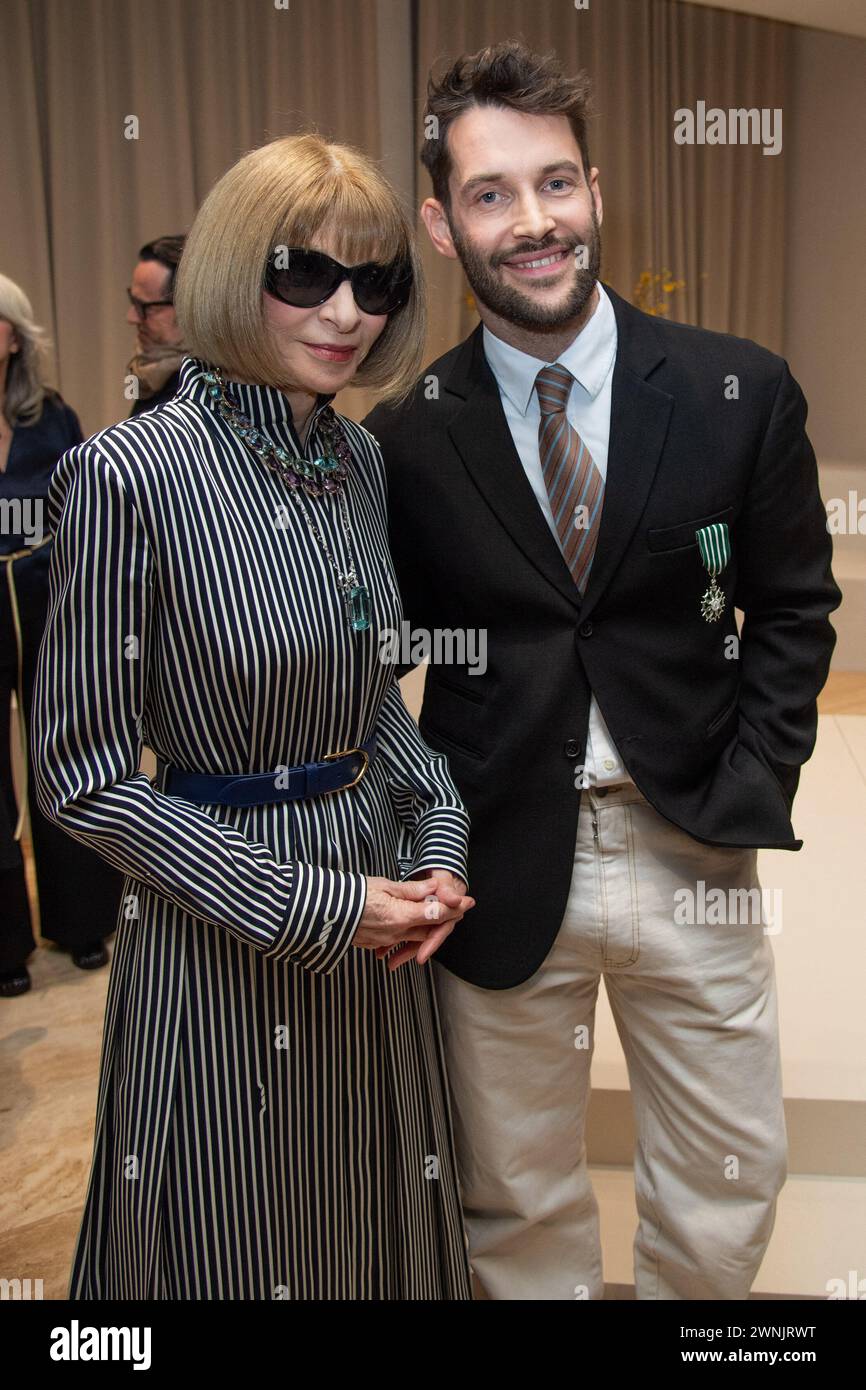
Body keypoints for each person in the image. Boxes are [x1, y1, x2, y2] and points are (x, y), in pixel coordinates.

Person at [364, 41, 842, 1300]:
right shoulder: (407, 438)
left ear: (592, 189)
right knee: (512, 1198)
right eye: (490, 193)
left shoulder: (739, 391)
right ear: (440, 220)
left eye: (555, 184)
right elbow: (379, 661)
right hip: (495, 860)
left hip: (693, 846)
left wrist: (751, 781)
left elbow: (791, 608)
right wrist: (419, 832)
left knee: (728, 1180)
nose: (533, 223)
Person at [32, 133, 475, 1299]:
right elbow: (80, 773)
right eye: (305, 274)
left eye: (376, 284)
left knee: (363, 1228)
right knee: (236, 1236)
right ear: (236, 270)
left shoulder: (359, 464)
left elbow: (371, 700)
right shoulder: (129, 475)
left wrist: (437, 850)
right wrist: (312, 905)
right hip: (225, 925)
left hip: (377, 919)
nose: (346, 313)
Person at [0, 273, 122, 996]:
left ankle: (80, 922)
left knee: (61, 753)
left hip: (45, 592)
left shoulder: (50, 415)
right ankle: (4, 943)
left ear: (13, 334)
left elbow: (75, 509)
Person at [125, 235, 187, 416]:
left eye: (145, 307)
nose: (131, 318)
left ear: (187, 308)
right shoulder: (149, 371)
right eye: (133, 301)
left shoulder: (210, 389)